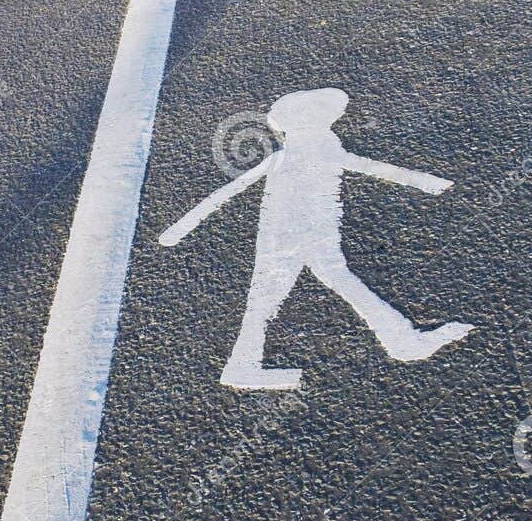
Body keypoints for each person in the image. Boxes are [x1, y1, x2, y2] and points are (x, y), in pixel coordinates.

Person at [159, 87, 473, 389]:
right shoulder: (320, 146)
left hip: (287, 235)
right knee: (286, 295)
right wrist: (429, 183)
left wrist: (180, 229)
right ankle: (402, 341)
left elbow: (230, 190)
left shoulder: (288, 154)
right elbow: (368, 167)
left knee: (278, 298)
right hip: (298, 236)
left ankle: (402, 340)